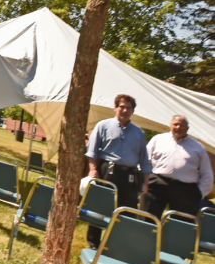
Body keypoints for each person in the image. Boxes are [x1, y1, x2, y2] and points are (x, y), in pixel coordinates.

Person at [82, 94, 151, 248]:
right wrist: (92, 170)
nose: (125, 110)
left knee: (126, 212)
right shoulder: (103, 126)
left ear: (133, 111)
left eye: (128, 108)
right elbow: (91, 152)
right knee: (100, 207)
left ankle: (117, 246)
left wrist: (145, 182)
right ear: (115, 108)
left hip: (130, 176)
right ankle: (93, 244)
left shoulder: (139, 133)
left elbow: (144, 161)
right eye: (122, 107)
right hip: (107, 171)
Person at [141, 115, 214, 218]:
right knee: (146, 218)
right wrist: (144, 181)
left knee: (181, 223)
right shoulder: (158, 139)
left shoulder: (198, 148)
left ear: (187, 128)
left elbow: (207, 174)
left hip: (185, 189)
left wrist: (198, 194)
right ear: (170, 125)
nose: (178, 127)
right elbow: (144, 161)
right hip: (156, 184)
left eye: (182, 125)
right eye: (175, 124)